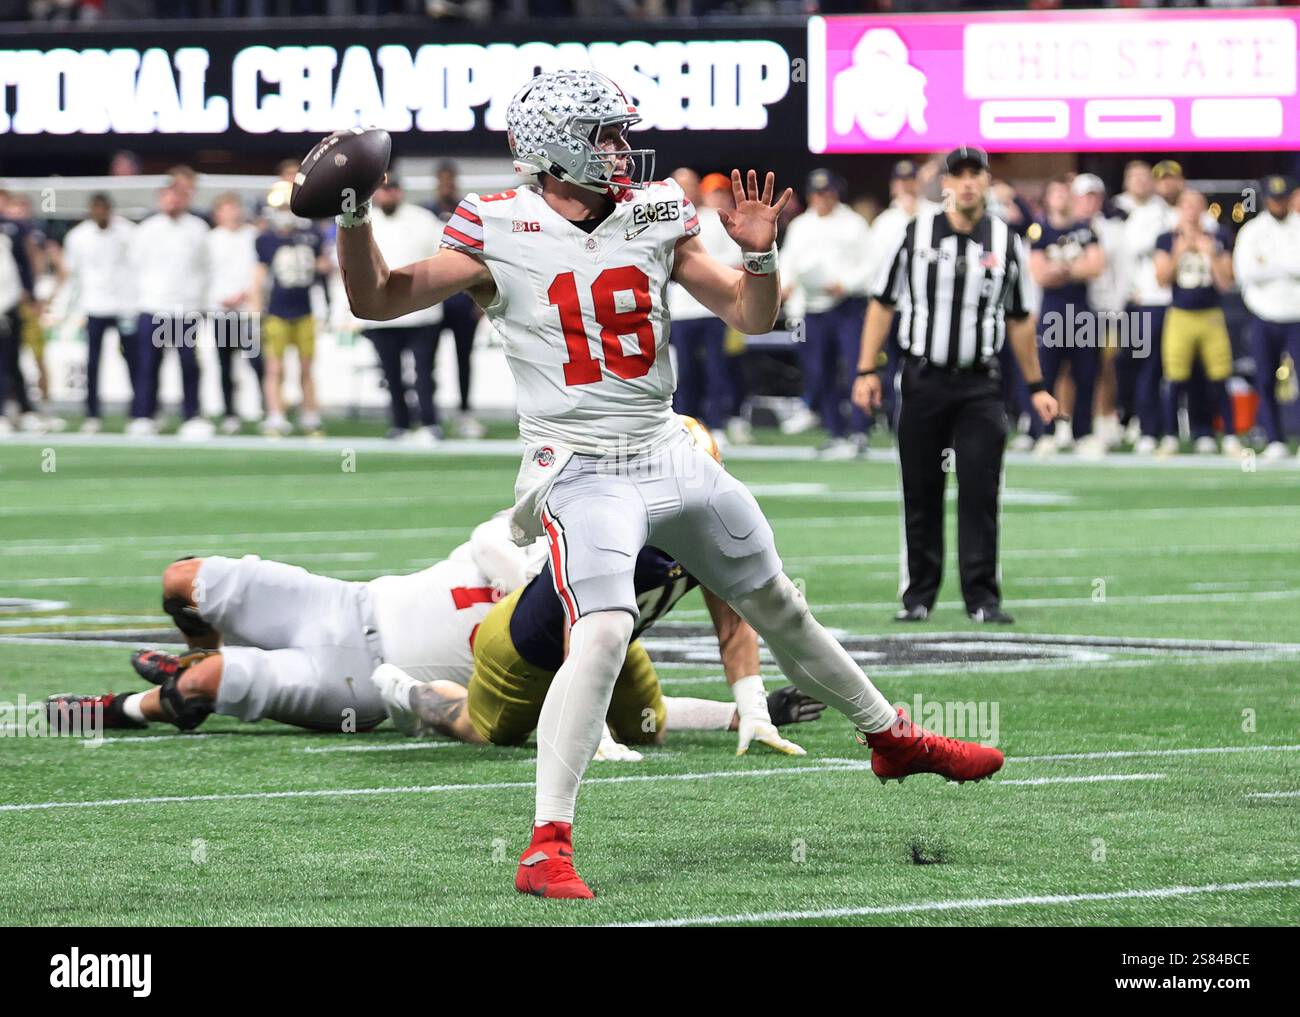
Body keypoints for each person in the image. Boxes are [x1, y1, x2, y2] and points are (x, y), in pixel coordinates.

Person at [334, 69, 1005, 900]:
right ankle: (546, 843)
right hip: (581, 467)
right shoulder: (495, 223)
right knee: (607, 628)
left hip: (666, 444)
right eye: (606, 136)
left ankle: (891, 736)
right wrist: (354, 216)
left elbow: (750, 316)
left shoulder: (656, 209)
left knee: (780, 602)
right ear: (557, 147)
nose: (622, 150)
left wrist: (758, 252)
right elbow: (377, 296)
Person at [381, 420, 818, 758]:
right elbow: (580, 618)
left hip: (609, 641)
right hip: (523, 643)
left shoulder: (706, 527)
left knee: (648, 730)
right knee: (487, 732)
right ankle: (407, 691)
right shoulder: (616, 527)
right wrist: (594, 730)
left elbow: (733, 623)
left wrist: (755, 708)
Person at [853, 144, 1059, 625]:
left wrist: (1036, 385)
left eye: (976, 174)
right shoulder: (915, 234)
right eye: (959, 174)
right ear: (945, 182)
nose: (968, 183)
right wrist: (866, 371)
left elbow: (1021, 318)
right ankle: (918, 596)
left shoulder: (1007, 240)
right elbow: (882, 303)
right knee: (920, 488)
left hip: (980, 384)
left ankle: (982, 598)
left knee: (981, 490)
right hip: (922, 378)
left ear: (988, 182)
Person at [779, 168, 875, 457]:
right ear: (811, 196)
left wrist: (845, 284)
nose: (824, 198)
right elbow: (788, 261)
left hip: (847, 306)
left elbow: (870, 264)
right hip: (811, 308)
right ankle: (835, 431)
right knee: (819, 371)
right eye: (818, 193)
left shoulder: (853, 224)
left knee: (857, 368)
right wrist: (784, 284)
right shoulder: (801, 226)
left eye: (828, 192)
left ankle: (859, 431)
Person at [357, 177, 446, 443]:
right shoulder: (364, 221)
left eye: (391, 189)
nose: (387, 195)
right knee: (391, 374)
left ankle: (430, 422)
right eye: (382, 190)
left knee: (424, 373)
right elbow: (353, 266)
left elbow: (444, 256)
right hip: (381, 314)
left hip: (422, 313)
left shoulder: (423, 219)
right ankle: (400, 423)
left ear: (399, 192)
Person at [1153, 189, 1240, 457]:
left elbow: (1226, 282)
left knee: (1219, 376)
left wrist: (1209, 254)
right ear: (1179, 208)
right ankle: (1169, 436)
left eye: (1195, 205)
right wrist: (1179, 253)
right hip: (1180, 314)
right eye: (1186, 205)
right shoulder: (1167, 238)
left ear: (1202, 208)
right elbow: (1161, 279)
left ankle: (1228, 435)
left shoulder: (1218, 236)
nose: (1190, 210)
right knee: (1174, 378)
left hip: (1211, 314)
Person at [1027, 176, 1106, 456]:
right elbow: (1039, 274)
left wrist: (1059, 268)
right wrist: (1072, 267)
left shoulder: (1085, 229)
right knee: (1046, 373)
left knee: (1086, 373)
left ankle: (1083, 432)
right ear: (1047, 198)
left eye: (1065, 193)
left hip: (1081, 310)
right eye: (1055, 193)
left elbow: (1095, 266)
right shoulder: (1040, 231)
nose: (1061, 198)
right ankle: (1044, 432)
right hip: (1052, 311)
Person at [128, 182, 210, 438]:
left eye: (178, 197)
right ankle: (145, 415)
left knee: (189, 364)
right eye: (167, 197)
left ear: (186, 199)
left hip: (186, 309)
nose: (172, 202)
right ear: (159, 200)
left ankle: (192, 416)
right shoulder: (146, 230)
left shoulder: (198, 229)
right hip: (154, 307)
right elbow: (135, 266)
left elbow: (206, 267)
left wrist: (201, 302)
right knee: (149, 365)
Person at [666, 168, 743, 442]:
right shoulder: (664, 219)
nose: (685, 191)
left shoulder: (714, 219)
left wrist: (700, 272)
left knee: (716, 368)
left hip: (712, 309)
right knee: (683, 371)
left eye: (690, 185)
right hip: (680, 310)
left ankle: (717, 424)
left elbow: (736, 258)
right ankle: (684, 425)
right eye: (680, 185)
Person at [1232, 175, 1300, 461]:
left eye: (1282, 198)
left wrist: (1270, 265)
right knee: (1264, 378)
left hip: (1297, 314)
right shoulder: (1252, 231)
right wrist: (1287, 267)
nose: (1278, 203)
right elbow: (1245, 273)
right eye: (1273, 198)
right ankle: (1274, 439)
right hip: (1264, 313)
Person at [252, 187, 328, 437]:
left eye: (288, 208)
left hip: (305, 311)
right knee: (275, 369)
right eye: (281, 209)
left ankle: (310, 416)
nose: (285, 214)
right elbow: (261, 275)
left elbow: (324, 266)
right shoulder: (266, 239)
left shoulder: (311, 235)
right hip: (276, 312)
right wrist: (256, 307)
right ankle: (276, 416)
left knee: (306, 368)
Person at [61, 193, 137, 433]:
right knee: (92, 362)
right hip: (93, 306)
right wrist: (70, 309)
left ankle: (140, 412)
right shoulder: (78, 237)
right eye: (96, 209)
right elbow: (73, 275)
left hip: (124, 306)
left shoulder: (128, 232)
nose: (100, 213)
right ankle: (92, 414)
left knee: (133, 360)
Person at [1072, 173, 1131, 453]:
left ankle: (1105, 419)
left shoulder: (1113, 230)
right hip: (1070, 307)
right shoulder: (1065, 227)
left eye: (1094, 195)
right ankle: (1065, 422)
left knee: (1106, 367)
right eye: (1084, 196)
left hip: (1104, 308)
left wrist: (1117, 307)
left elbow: (1122, 271)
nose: (1089, 202)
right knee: (1068, 369)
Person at [427, 160, 484, 439]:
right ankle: (431, 415)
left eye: (451, 179)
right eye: (443, 179)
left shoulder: (469, 211)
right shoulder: (426, 212)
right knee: (427, 361)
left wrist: (479, 300)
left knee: (464, 359)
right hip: (436, 299)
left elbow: (481, 255)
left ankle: (464, 412)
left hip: (463, 297)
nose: (447, 184)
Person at [205, 192, 261, 434]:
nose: (231, 213)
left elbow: (259, 271)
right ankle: (230, 413)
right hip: (222, 312)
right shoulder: (210, 240)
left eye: (234, 208)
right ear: (218, 214)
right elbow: (205, 275)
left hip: (248, 311)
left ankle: (268, 409)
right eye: (226, 209)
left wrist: (246, 294)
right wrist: (219, 298)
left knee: (259, 362)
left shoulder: (252, 236)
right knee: (225, 365)